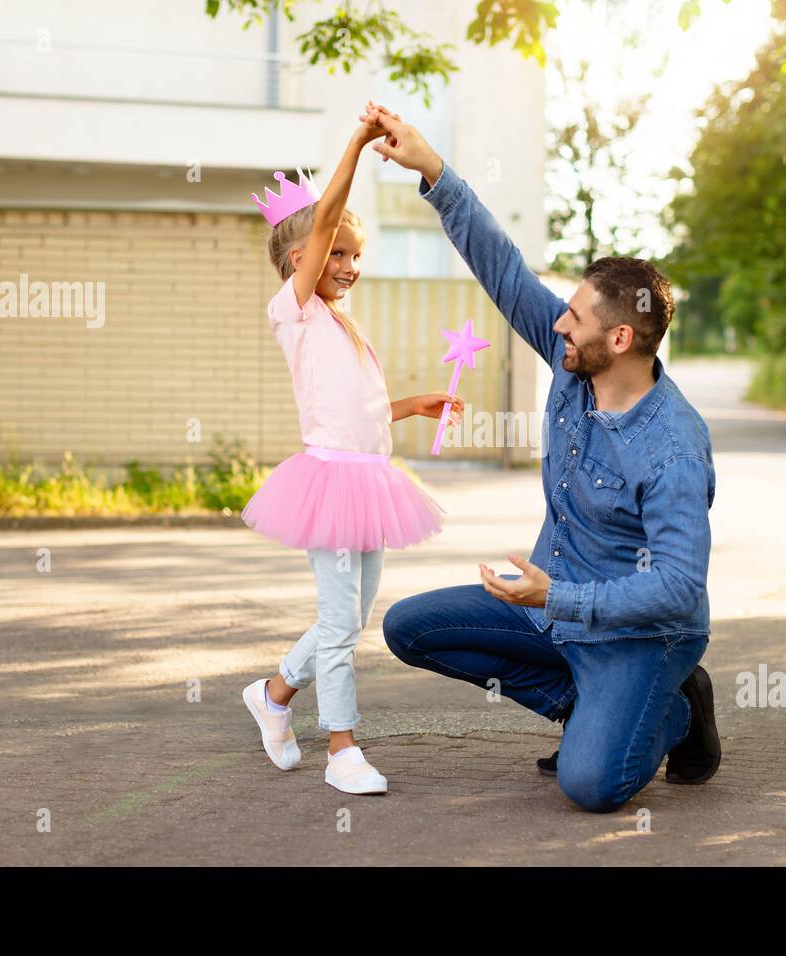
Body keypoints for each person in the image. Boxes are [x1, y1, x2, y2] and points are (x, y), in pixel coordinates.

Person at [366, 101, 722, 813]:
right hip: (552, 605)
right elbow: (503, 270)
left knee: (590, 787)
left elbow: (679, 588)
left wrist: (557, 597)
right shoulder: (574, 364)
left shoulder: (672, 446)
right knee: (410, 628)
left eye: (576, 316)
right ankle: (582, 703)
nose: (557, 320)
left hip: (637, 631)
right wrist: (432, 168)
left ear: (619, 339)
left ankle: (677, 710)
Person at [240, 115, 465, 796]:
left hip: (370, 480)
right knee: (341, 624)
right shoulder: (296, 308)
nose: (348, 266)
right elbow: (329, 210)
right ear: (299, 262)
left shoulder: (342, 323)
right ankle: (342, 747)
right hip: (330, 483)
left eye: (352, 255)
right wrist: (355, 148)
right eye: (333, 253)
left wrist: (412, 404)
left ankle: (274, 693)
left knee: (350, 616)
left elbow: (354, 410)